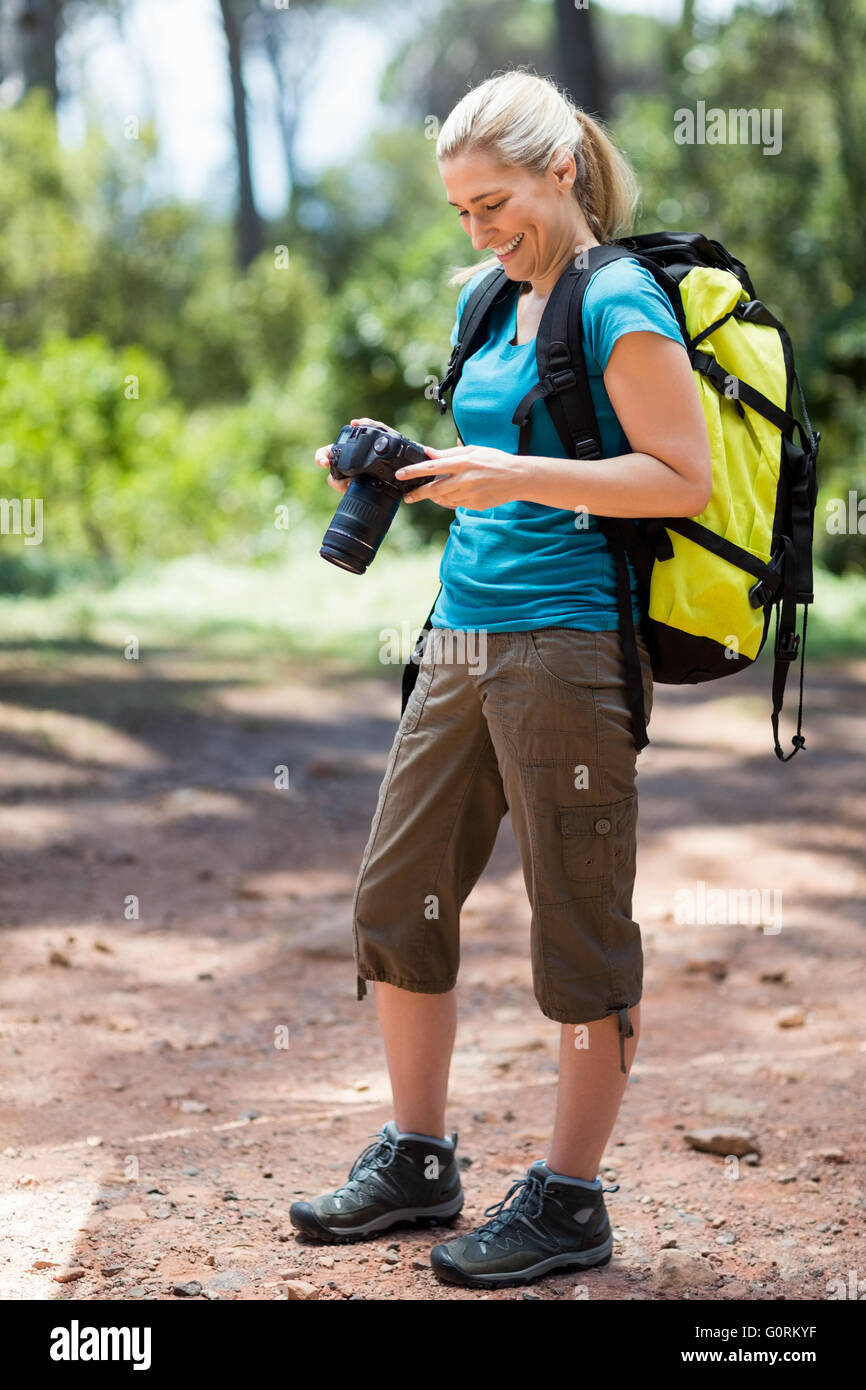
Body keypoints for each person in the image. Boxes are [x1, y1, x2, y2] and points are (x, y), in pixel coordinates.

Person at [293, 68, 711, 1291]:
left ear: (559, 171)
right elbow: (506, 455)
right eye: (461, 212)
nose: (478, 232)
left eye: (495, 204)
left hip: (569, 647)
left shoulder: (618, 298)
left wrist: (509, 475)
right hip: (460, 638)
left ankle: (570, 1200)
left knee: (574, 921)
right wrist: (400, 467)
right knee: (399, 894)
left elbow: (673, 476)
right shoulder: (490, 299)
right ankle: (420, 1158)